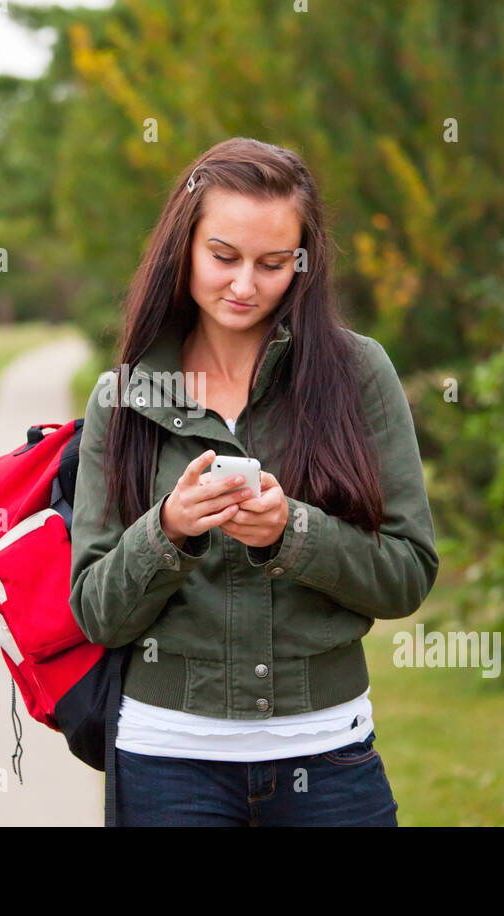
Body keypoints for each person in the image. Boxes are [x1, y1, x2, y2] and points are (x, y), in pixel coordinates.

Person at [68, 137, 440, 826]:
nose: (245, 286)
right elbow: (96, 608)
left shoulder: (359, 374)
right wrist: (168, 530)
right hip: (166, 762)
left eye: (273, 264)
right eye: (223, 257)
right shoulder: (123, 395)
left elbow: (408, 574)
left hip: (327, 753)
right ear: (184, 247)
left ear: (304, 262)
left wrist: (291, 534)